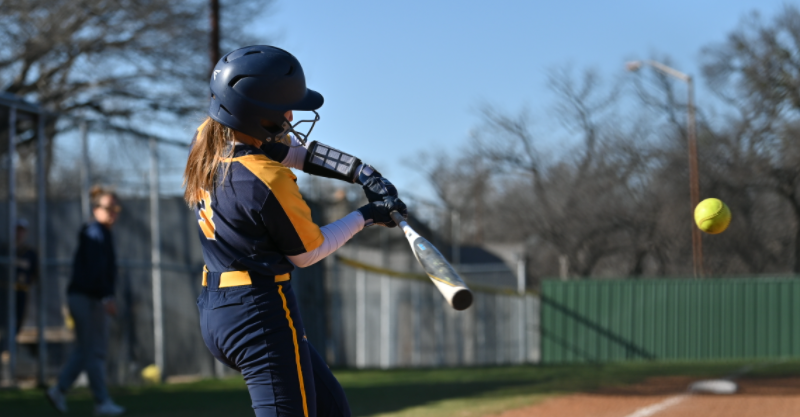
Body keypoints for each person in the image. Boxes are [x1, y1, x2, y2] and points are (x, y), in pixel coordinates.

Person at [183, 45, 407, 417]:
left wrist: (360, 172)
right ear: (255, 113)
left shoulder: (208, 139)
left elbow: (290, 152)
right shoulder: (266, 178)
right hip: (259, 312)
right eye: (284, 108)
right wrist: (367, 215)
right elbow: (307, 253)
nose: (290, 116)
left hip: (219, 308)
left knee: (332, 409)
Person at [47, 186, 125, 416]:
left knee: (84, 350)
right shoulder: (96, 232)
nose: (112, 213)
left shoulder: (100, 232)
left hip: (85, 297)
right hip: (89, 298)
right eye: (108, 208)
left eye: (116, 208)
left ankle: (58, 390)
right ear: (95, 209)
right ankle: (102, 401)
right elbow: (96, 269)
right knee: (95, 351)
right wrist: (106, 296)